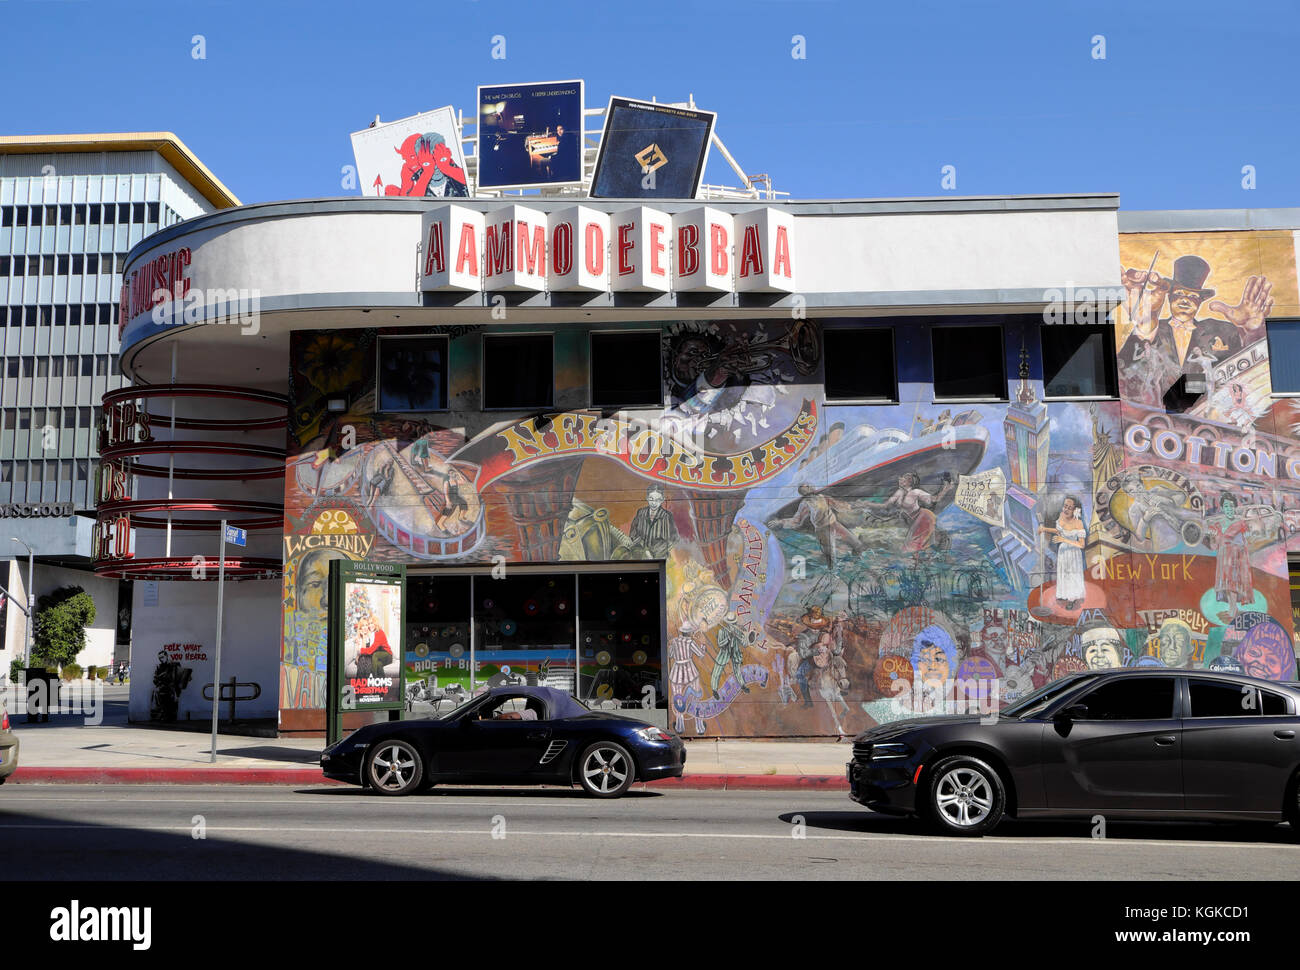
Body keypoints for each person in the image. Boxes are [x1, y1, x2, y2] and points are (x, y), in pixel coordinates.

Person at [1206, 495, 1253, 620]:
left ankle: (1233, 610)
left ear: (1235, 508)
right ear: (1222, 508)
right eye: (1226, 506)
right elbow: (1213, 546)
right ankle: (1233, 609)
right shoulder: (1218, 525)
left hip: (1237, 557)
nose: (1229, 509)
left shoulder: (1241, 523)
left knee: (1233, 584)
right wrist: (1212, 536)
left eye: (1231, 506)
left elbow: (1246, 540)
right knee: (1227, 585)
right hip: (1224, 558)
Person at [1040, 496, 1086, 609]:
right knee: (1064, 574)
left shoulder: (1078, 523)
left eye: (1070, 508)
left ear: (1075, 510)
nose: (1066, 509)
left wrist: (1063, 540)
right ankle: (1064, 594)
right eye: (1065, 506)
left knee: (1072, 574)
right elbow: (1059, 531)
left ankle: (1072, 598)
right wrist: (1044, 529)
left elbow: (1081, 544)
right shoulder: (1061, 517)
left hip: (1073, 553)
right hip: (1063, 552)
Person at [620, 485, 679, 559]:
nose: (654, 503)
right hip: (640, 556)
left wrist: (654, 553)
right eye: (651, 499)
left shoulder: (667, 516)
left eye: (657, 500)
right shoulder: (641, 513)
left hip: (661, 558)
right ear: (647, 498)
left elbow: (674, 538)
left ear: (663, 500)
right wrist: (644, 550)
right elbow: (633, 534)